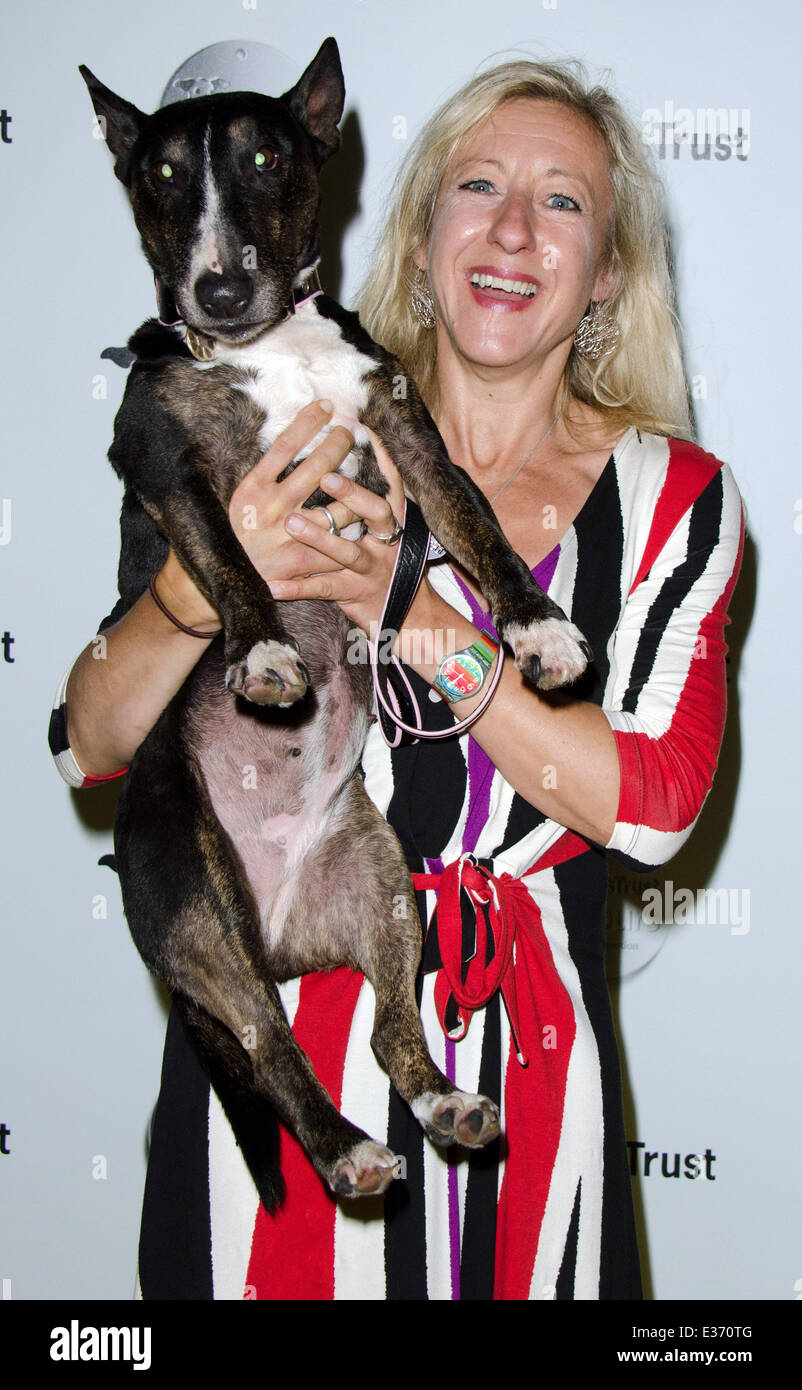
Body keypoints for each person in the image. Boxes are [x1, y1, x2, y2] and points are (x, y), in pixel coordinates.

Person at [50, 58, 744, 1300]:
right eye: (477, 186)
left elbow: (655, 805)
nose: (514, 230)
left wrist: (407, 608)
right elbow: (91, 741)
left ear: (610, 271)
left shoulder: (672, 498)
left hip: (528, 1080)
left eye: (563, 202)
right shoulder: (287, 413)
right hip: (285, 1054)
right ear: (421, 236)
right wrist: (198, 589)